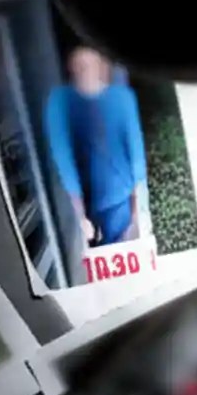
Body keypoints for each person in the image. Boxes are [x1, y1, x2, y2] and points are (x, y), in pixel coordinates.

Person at [44, 46, 148, 247]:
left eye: (91, 64)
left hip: (118, 199)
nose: (88, 71)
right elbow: (63, 157)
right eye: (82, 66)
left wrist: (136, 215)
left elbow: (137, 154)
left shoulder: (121, 97)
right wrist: (80, 214)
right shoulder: (61, 100)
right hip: (88, 201)